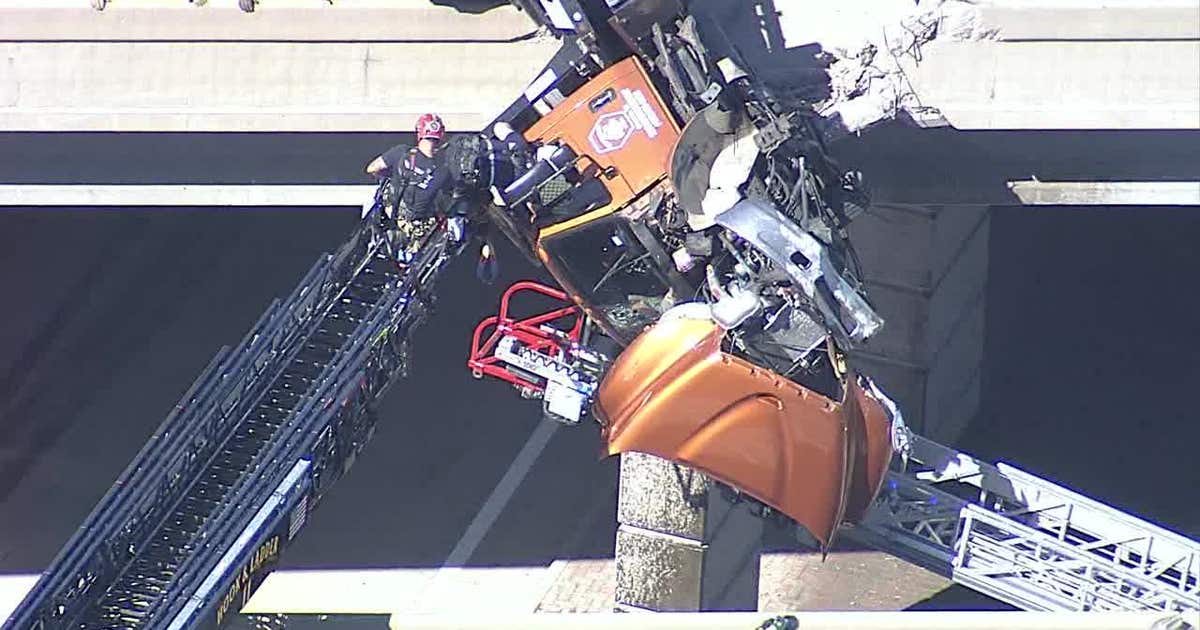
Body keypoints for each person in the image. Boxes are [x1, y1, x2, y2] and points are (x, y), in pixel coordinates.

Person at [365, 113, 456, 263]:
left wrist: (391, 175)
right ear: (441, 135)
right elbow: (448, 199)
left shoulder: (401, 152)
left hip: (388, 211)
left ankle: (370, 237)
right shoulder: (443, 171)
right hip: (414, 228)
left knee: (374, 196)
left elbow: (371, 168)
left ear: (419, 132)